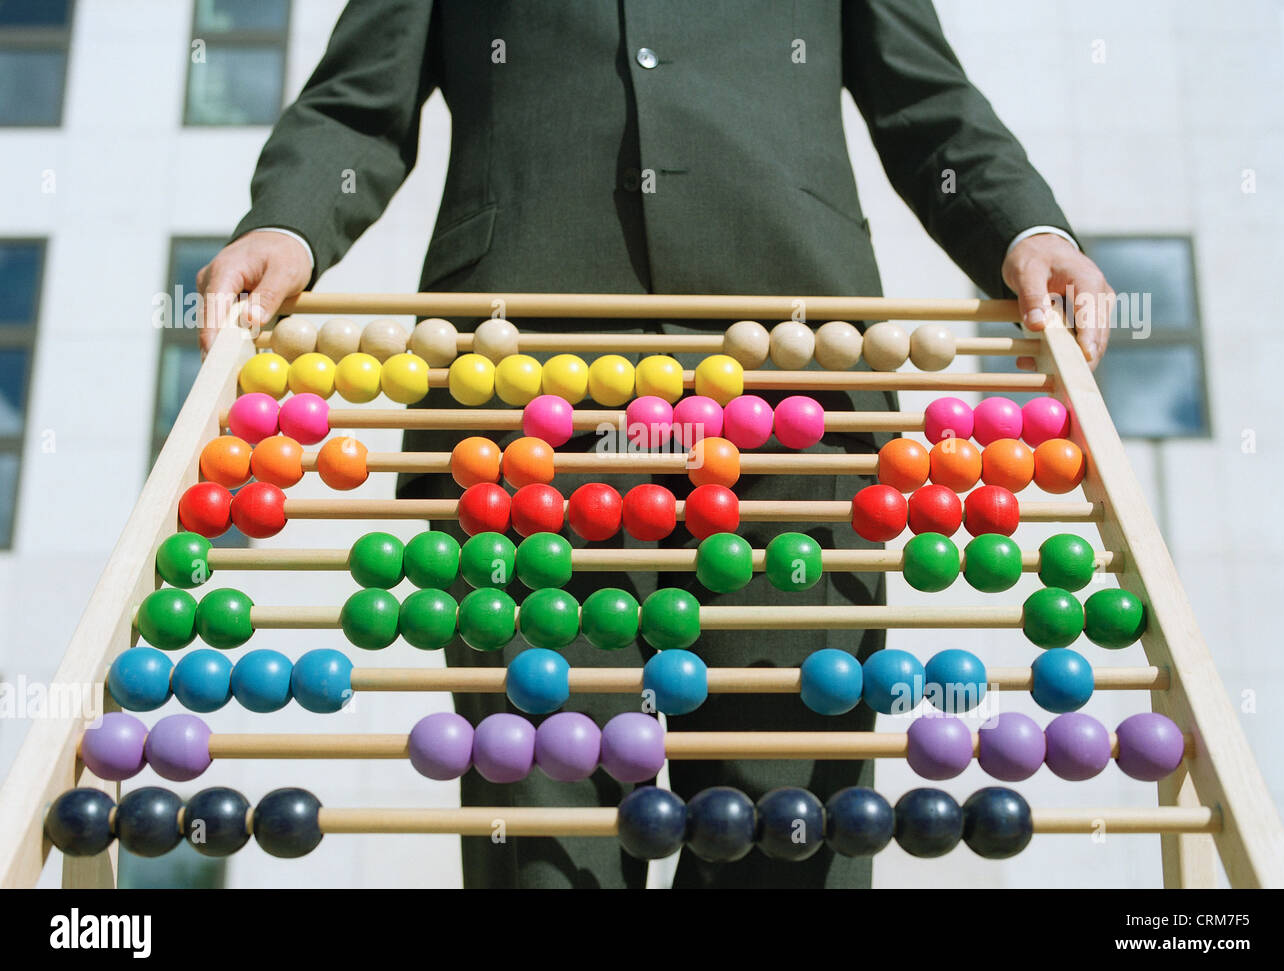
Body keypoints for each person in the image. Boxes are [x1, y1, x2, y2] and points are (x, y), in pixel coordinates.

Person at [197, 1, 1113, 889]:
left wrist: (1026, 230)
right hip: (525, 410)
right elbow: (358, 101)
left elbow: (929, 105)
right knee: (551, 836)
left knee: (787, 827)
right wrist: (290, 220)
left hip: (798, 410)